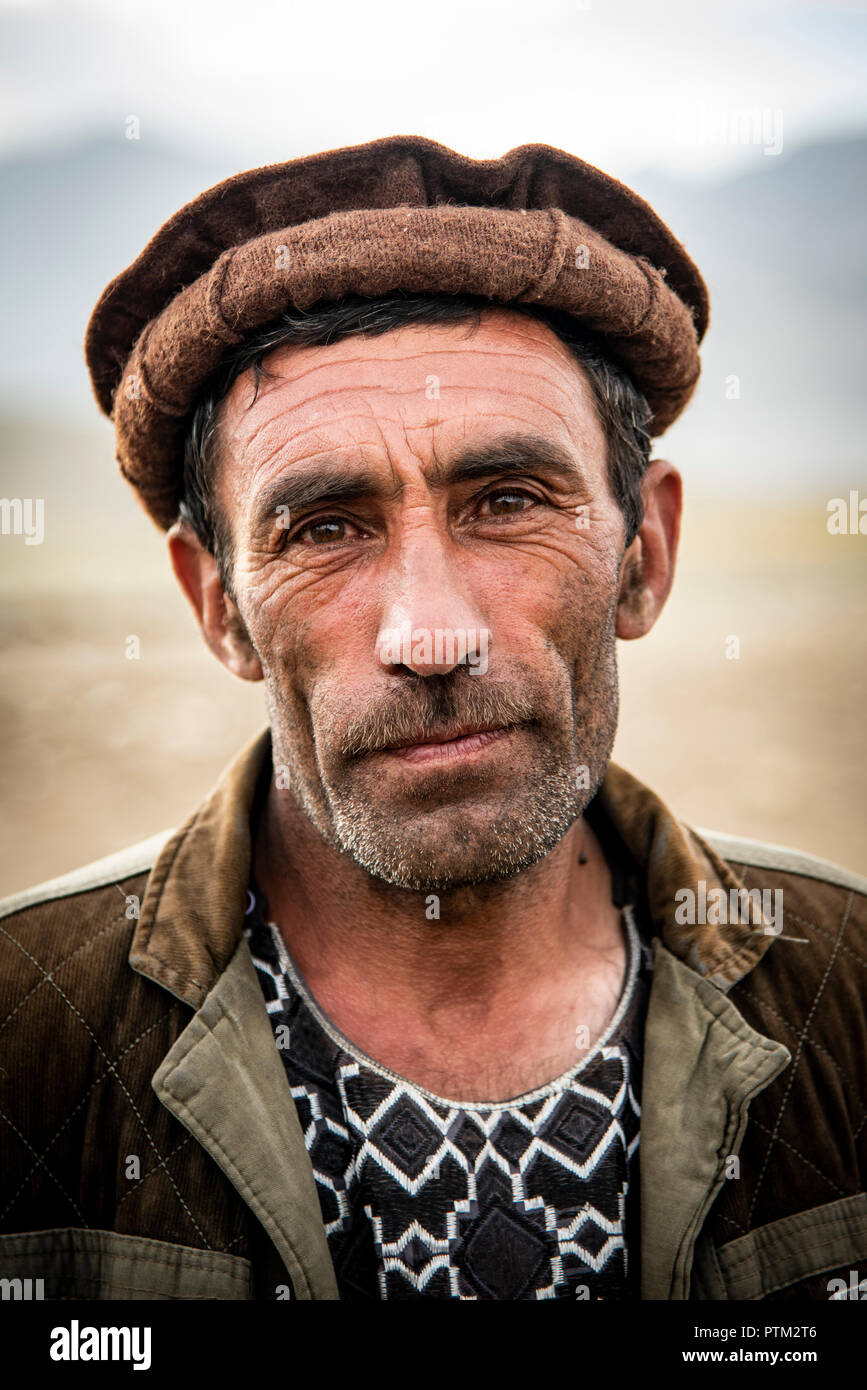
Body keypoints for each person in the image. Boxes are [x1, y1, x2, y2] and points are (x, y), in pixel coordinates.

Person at [1, 135, 864, 1302]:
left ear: (643, 555)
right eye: (325, 528)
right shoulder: (23, 1034)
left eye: (507, 502)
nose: (430, 633)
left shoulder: (850, 991)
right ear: (219, 606)